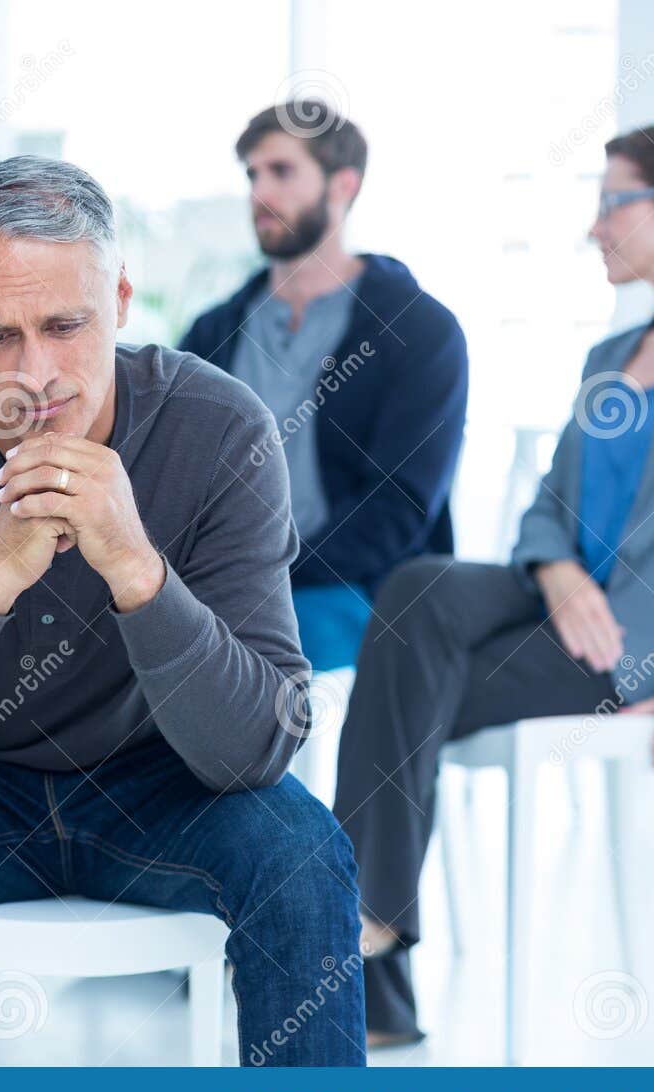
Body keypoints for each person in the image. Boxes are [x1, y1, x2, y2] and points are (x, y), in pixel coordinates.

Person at [0, 155, 366, 1067]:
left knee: (302, 852)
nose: (33, 374)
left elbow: (257, 745)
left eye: (64, 325)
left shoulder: (221, 429)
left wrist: (135, 567)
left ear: (120, 298)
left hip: (161, 787)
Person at [335, 124, 654, 1048]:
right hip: (560, 599)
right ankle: (374, 935)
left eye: (613, 202)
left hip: (629, 647)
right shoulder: (614, 356)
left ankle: (365, 958)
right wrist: (556, 570)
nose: (595, 226)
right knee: (416, 585)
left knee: (404, 686)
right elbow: (551, 502)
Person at [181, 100, 468, 673]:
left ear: (343, 184)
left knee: (219, 668)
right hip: (216, 592)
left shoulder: (419, 330)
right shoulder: (214, 330)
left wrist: (267, 579)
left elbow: (399, 506)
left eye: (281, 172)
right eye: (252, 175)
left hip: (356, 593)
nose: (260, 193)